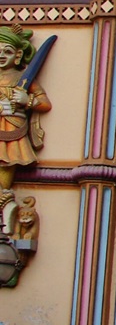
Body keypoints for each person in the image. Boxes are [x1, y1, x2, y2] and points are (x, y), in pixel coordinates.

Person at [0, 24, 50, 232]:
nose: (1, 55)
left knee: (6, 162)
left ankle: (4, 195)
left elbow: (44, 103)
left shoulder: (22, 79)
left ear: (18, 55)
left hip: (12, 129)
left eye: (7, 51)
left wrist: (27, 100)